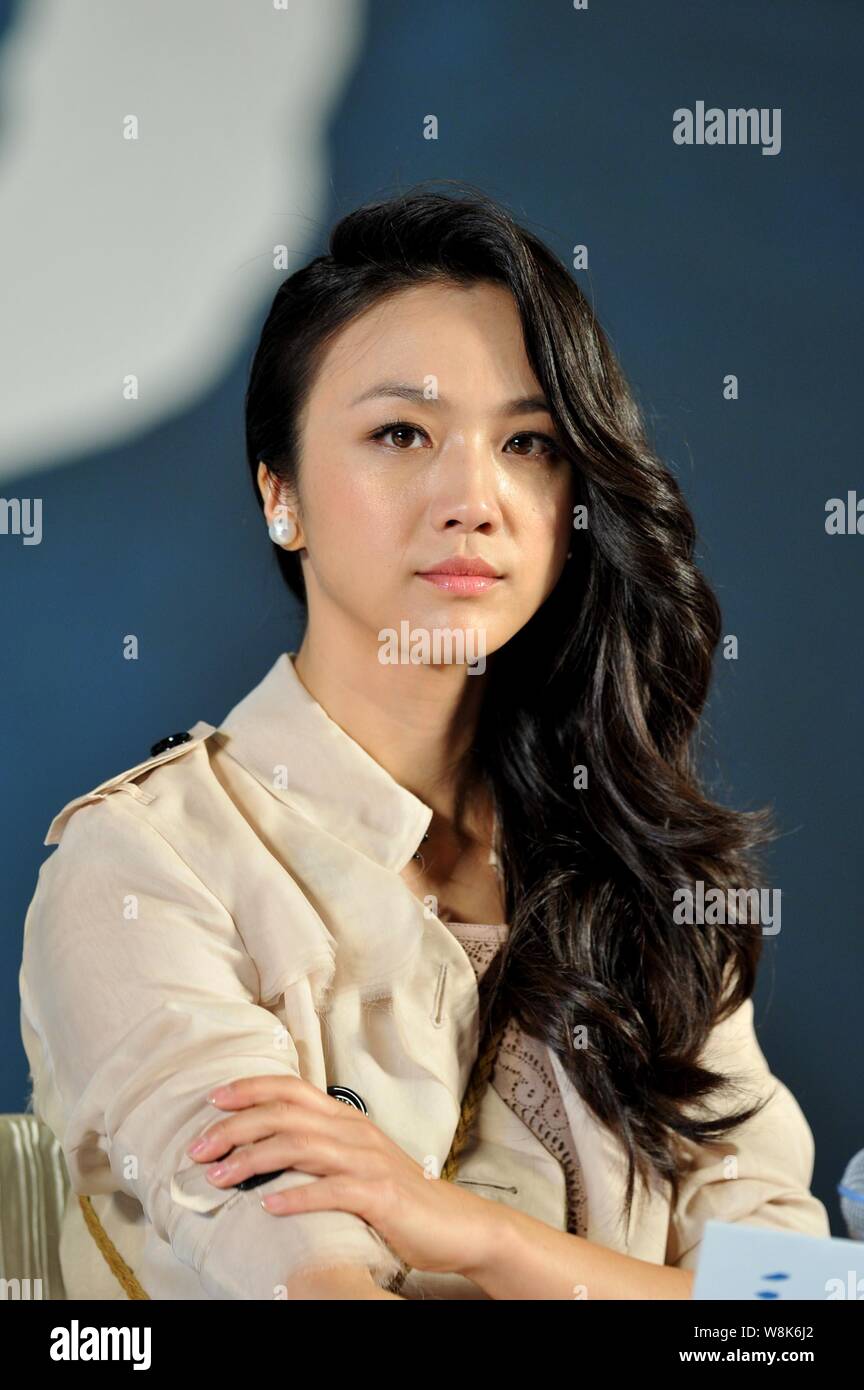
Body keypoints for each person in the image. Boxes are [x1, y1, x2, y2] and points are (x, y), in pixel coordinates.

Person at [19, 186, 829, 1301]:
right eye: (402, 433)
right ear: (280, 493)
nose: (474, 496)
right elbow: (315, 1286)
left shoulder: (638, 865)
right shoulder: (144, 867)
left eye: (530, 442)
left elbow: (793, 1306)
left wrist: (471, 1233)